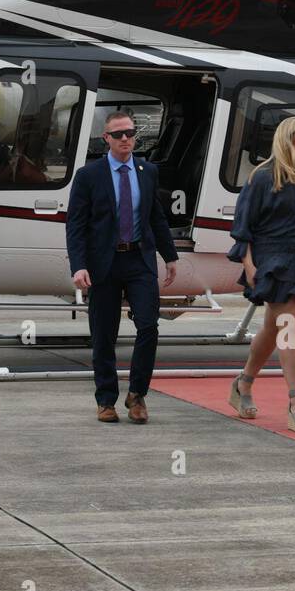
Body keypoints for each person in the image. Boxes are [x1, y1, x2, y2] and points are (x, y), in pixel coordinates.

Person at [66, 110, 179, 424]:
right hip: (104, 263)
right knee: (104, 334)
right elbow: (75, 225)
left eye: (130, 133)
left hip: (139, 259)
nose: (126, 139)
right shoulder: (89, 176)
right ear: (106, 139)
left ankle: (137, 394)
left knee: (148, 326)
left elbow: (155, 215)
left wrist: (170, 256)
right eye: (118, 134)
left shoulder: (147, 171)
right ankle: (106, 399)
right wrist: (78, 266)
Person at [226, 116, 295, 433]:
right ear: (288, 140)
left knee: (275, 327)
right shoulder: (262, 176)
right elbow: (243, 226)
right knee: (289, 322)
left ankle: (244, 382)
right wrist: (249, 266)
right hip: (271, 257)